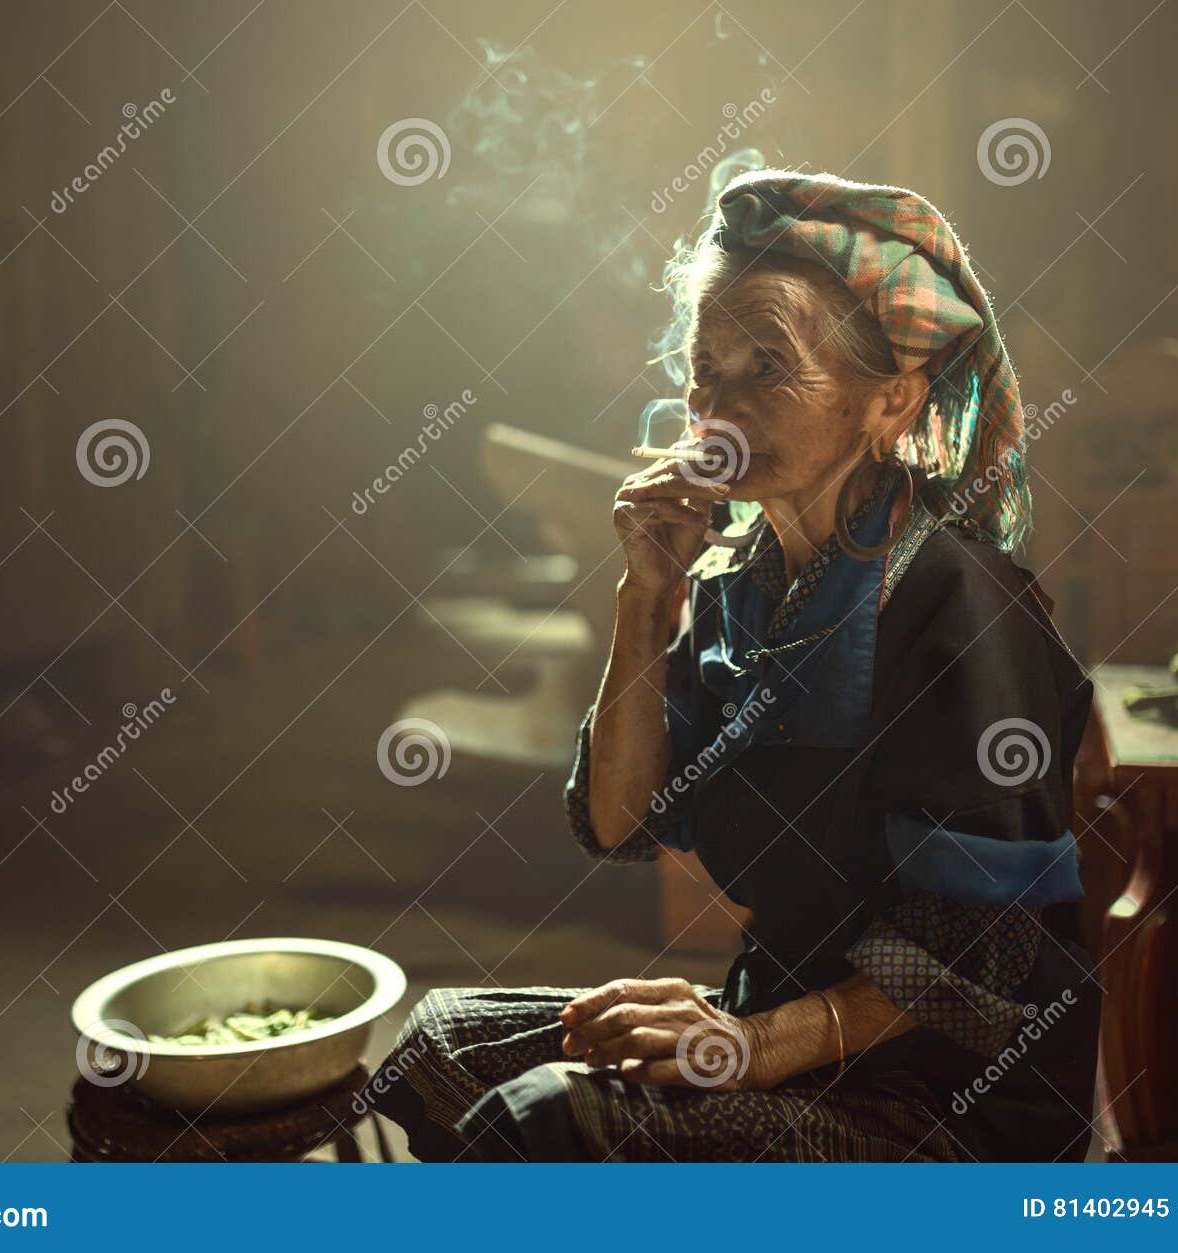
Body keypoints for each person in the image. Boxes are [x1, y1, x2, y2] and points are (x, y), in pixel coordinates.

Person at [368, 169, 1099, 1162]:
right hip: (788, 1025)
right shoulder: (738, 584)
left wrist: (750, 1039)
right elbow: (621, 821)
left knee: (542, 1116)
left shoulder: (960, 603)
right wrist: (645, 598)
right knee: (437, 1048)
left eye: (766, 367)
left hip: (934, 1106)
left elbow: (976, 953)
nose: (717, 401)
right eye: (703, 365)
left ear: (890, 400)